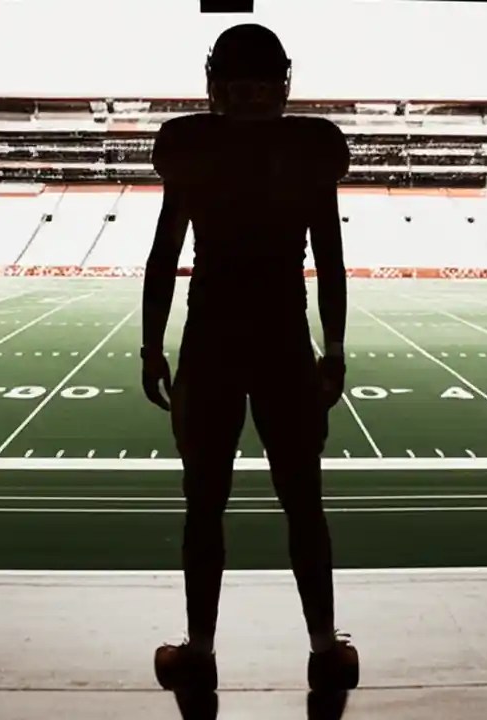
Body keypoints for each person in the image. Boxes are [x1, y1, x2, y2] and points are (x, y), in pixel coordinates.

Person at [140, 23, 356, 693]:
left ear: (214, 85)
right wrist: (336, 348)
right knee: (304, 504)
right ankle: (325, 649)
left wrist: (152, 345)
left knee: (204, 505)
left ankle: (198, 653)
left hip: (211, 341)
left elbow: (164, 254)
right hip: (282, 338)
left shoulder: (192, 147)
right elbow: (329, 257)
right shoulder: (312, 149)